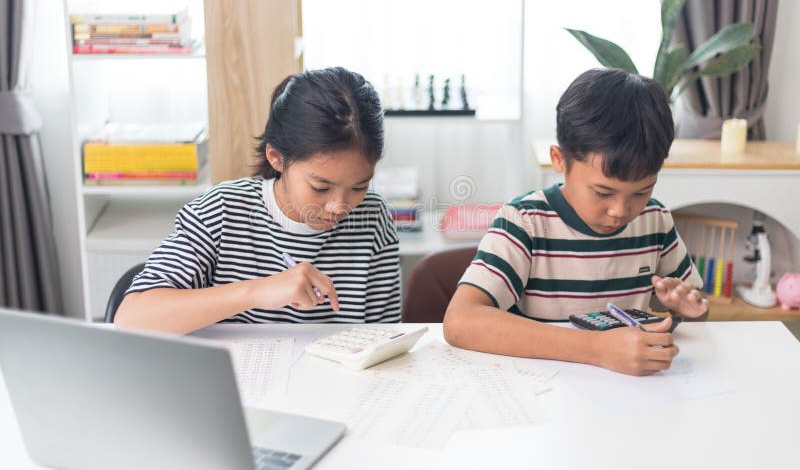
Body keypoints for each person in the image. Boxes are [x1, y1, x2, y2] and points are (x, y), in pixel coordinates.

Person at [443, 68, 708, 376]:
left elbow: (695, 313)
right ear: (559, 159)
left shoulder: (655, 220)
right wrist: (596, 349)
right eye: (603, 192)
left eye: (642, 191)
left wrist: (686, 309)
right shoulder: (524, 222)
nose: (620, 211)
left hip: (628, 386)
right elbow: (460, 321)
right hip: (543, 385)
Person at [115, 67, 400, 334]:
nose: (340, 206)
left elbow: (386, 337)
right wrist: (257, 291)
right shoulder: (222, 211)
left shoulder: (373, 218)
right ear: (276, 158)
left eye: (359, 186)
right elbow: (131, 318)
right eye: (320, 187)